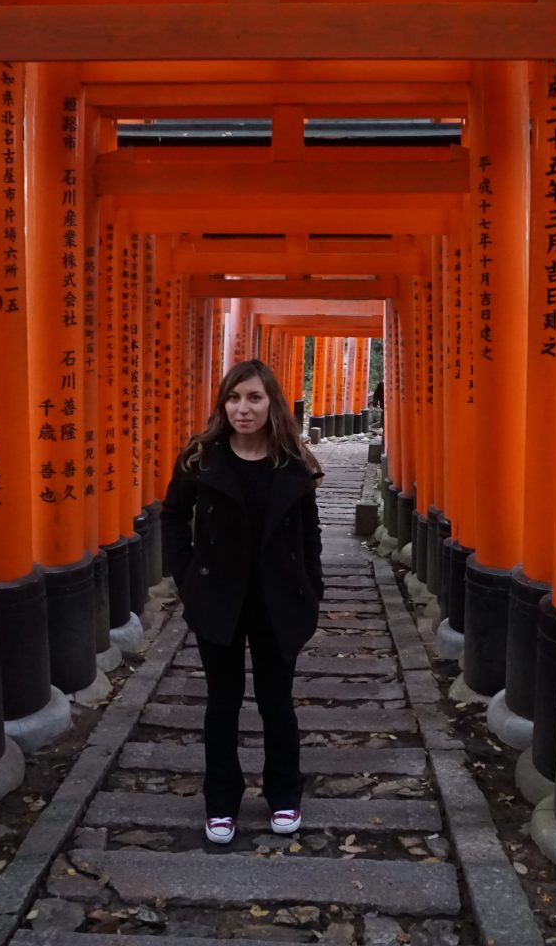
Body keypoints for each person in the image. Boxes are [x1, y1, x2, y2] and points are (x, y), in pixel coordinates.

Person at [161, 359, 325, 845]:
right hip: (218, 600)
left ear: (272, 403)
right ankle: (221, 801)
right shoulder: (201, 458)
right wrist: (187, 579)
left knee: (277, 702)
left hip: (279, 601)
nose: (242, 408)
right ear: (223, 404)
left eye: (254, 397)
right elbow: (172, 517)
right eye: (233, 398)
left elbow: (310, 532)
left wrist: (312, 586)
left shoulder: (291, 462)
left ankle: (284, 795)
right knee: (222, 703)